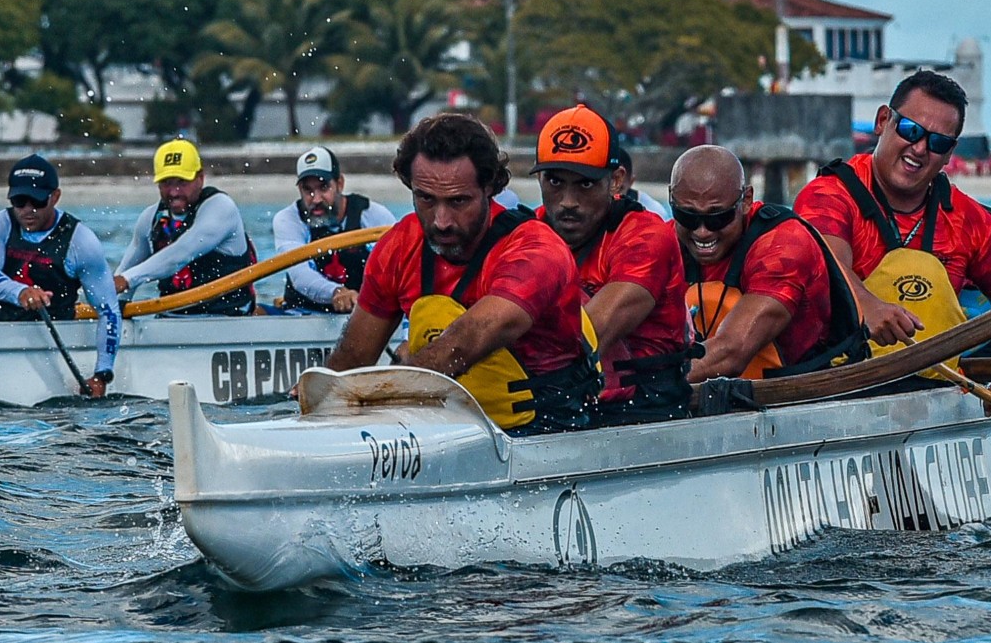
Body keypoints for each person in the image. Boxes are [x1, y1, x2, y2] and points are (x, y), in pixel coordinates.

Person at [326, 113, 598, 435]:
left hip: (546, 429)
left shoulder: (536, 251)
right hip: (450, 424)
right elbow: (352, 359)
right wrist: (322, 408)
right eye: (425, 198)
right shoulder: (398, 246)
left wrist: (386, 401)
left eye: (458, 201)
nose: (441, 221)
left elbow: (462, 343)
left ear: (490, 188)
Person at [793, 69, 991, 423]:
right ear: (882, 121)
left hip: (932, 397)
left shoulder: (968, 217)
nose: (919, 149)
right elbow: (829, 266)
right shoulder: (828, 195)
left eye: (937, 142)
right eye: (910, 130)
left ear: (950, 152)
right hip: (842, 387)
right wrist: (867, 305)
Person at [535, 105, 691, 424]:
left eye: (585, 184)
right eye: (554, 182)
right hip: (565, 408)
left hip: (645, 413)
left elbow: (587, 335)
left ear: (617, 181)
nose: (567, 201)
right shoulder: (528, 234)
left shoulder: (646, 236)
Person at [671, 144, 867, 382]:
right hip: (717, 387)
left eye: (717, 217)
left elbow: (731, 351)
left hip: (799, 392)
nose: (702, 232)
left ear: (746, 200)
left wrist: (651, 384)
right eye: (687, 216)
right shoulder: (665, 240)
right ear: (672, 200)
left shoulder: (785, 246)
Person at [0, 154, 122, 396]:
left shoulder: (81, 241)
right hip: (0, 335)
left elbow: (109, 310)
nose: (28, 210)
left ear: (55, 197)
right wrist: (20, 292)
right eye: (19, 201)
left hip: (60, 339)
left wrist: (102, 374)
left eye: (37, 202)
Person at [115, 139, 258, 315]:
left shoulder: (221, 208)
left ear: (200, 178)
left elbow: (181, 254)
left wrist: (128, 279)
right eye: (167, 183)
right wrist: (114, 306)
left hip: (228, 320)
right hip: (172, 319)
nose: (174, 192)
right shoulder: (150, 219)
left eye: (182, 182)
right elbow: (124, 274)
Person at [271, 146, 398, 313]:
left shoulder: (373, 215)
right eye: (307, 190)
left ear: (340, 184)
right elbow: (299, 276)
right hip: (301, 313)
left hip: (365, 314)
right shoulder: (288, 220)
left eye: (323, 188)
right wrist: (336, 292)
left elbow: (398, 270)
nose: (316, 199)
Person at [610, 144, 674, 220]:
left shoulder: (654, 212)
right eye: (609, 188)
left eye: (620, 189)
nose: (614, 194)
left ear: (631, 181)